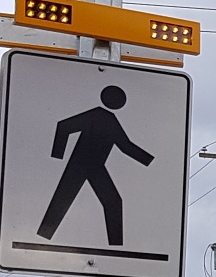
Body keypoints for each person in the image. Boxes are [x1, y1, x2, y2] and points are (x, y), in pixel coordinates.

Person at [37, 85, 153, 246]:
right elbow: (64, 126)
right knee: (63, 198)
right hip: (79, 164)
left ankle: (116, 246)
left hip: (96, 167)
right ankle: (42, 236)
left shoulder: (110, 120)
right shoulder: (96, 114)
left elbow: (125, 146)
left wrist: (150, 162)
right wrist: (57, 155)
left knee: (112, 201)